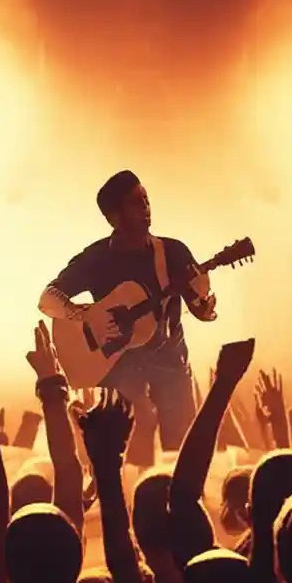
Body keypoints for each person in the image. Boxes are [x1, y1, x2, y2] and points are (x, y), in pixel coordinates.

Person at [37, 170, 217, 449]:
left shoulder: (172, 252)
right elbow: (48, 298)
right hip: (119, 376)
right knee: (121, 460)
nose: (146, 207)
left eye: (146, 199)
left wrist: (204, 309)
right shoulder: (96, 258)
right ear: (114, 217)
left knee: (183, 454)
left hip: (171, 370)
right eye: (135, 202)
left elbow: (199, 306)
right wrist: (84, 316)